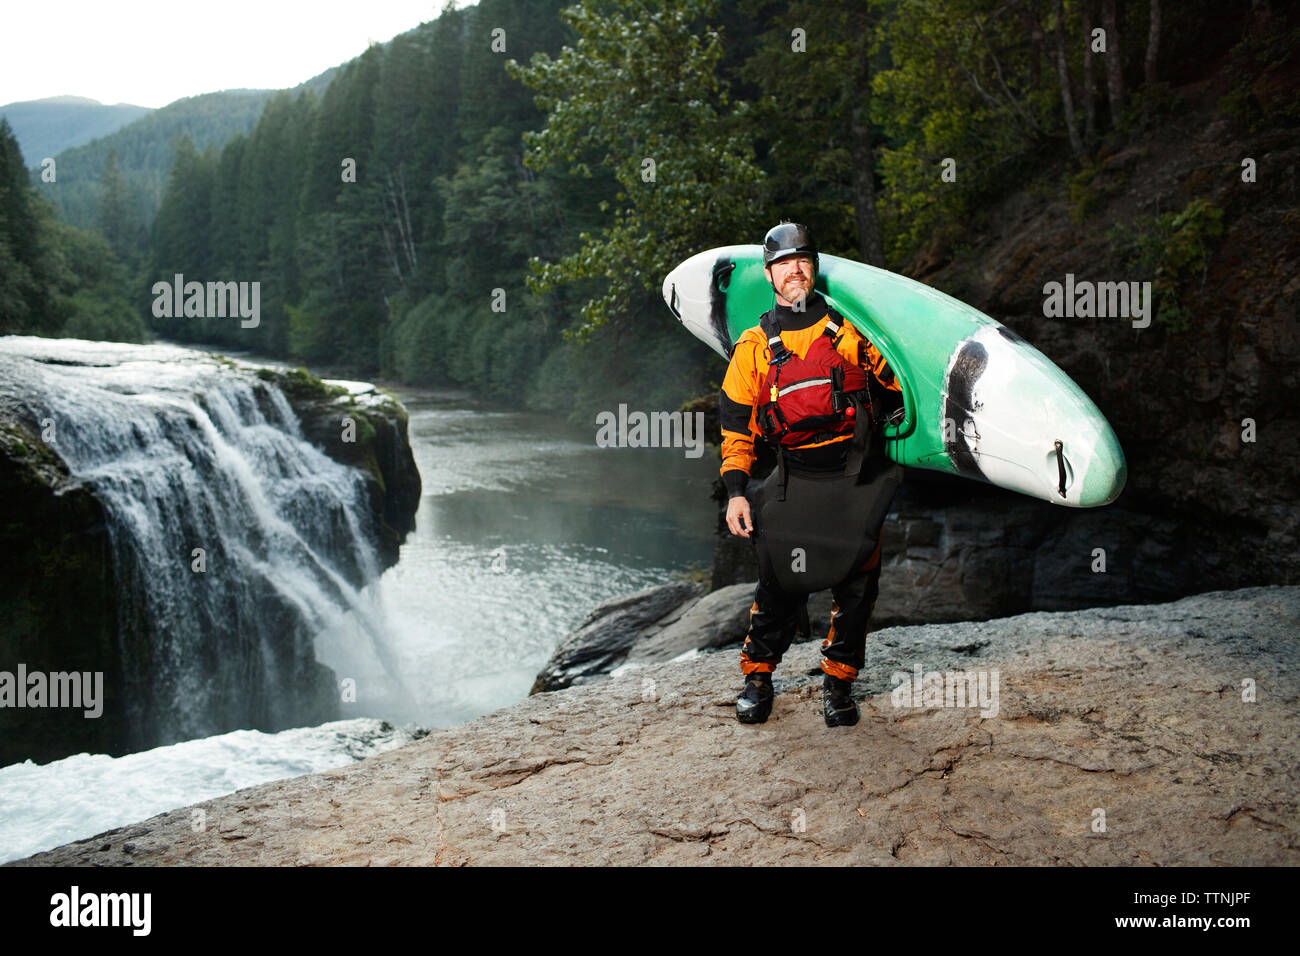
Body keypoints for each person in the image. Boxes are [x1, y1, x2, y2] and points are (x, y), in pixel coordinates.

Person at [719, 221, 902, 727]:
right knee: (779, 581)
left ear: (813, 267)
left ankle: (838, 683)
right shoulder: (755, 346)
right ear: (769, 273)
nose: (794, 269)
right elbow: (737, 426)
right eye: (783, 263)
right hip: (792, 478)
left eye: (802, 260)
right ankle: (757, 678)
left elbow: (896, 389)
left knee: (858, 586)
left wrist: (882, 375)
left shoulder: (849, 331)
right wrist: (736, 492)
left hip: (854, 474)